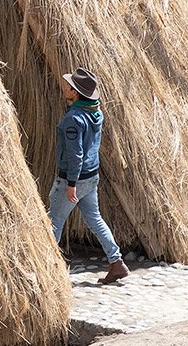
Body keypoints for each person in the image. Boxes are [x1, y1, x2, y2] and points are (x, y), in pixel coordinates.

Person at [47, 67, 129, 284]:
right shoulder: (96, 112)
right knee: (94, 218)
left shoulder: (74, 118)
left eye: (69, 86)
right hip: (91, 177)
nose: (66, 88)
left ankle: (50, 274)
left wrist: (70, 184)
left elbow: (76, 155)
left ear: (75, 92)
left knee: (53, 222)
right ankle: (117, 262)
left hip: (72, 179)